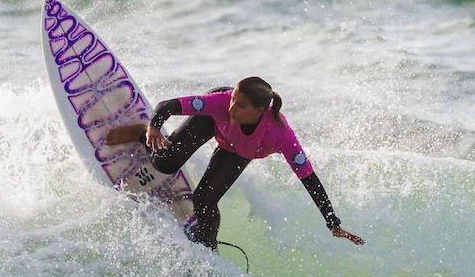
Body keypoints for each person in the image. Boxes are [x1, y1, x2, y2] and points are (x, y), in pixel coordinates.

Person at [106, 77, 364, 250]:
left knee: (205, 200)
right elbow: (168, 106)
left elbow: (309, 179)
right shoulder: (220, 103)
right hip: (212, 122)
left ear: (260, 111)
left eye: (240, 105)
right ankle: (138, 133)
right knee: (165, 163)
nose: (232, 107)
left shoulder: (280, 135)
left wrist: (333, 223)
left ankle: (208, 246)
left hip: (238, 150)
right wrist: (153, 127)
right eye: (233, 100)